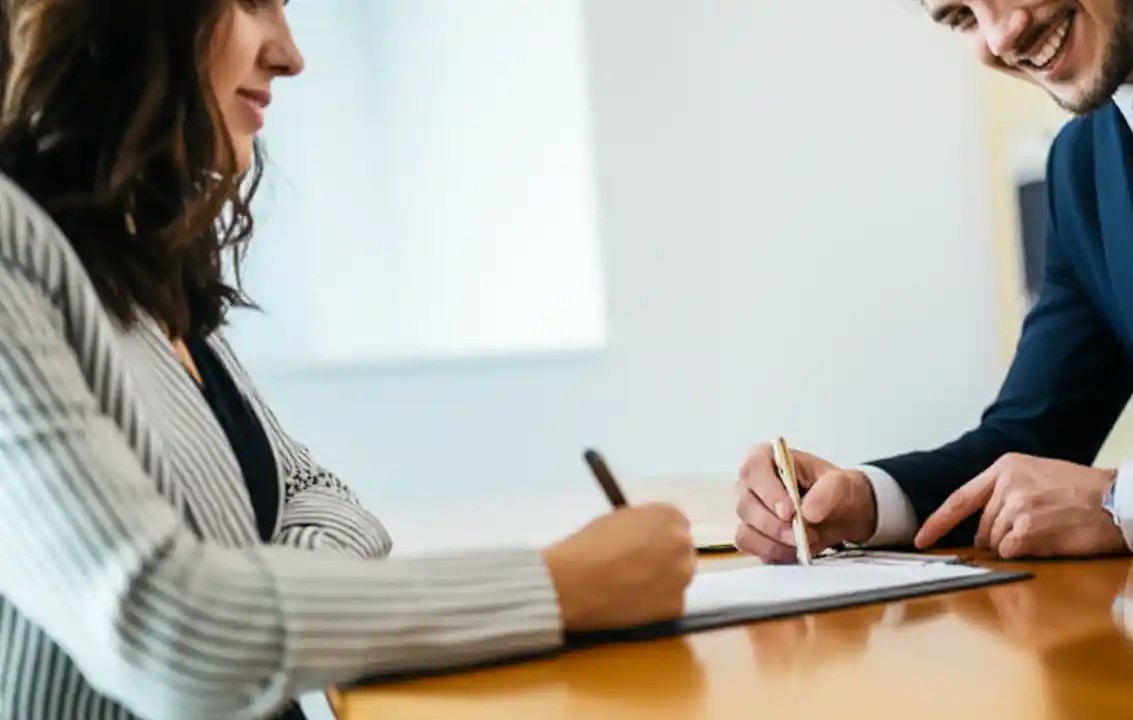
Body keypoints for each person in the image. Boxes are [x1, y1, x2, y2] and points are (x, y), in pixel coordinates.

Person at [0, 2, 696, 718]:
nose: (291, 55)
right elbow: (165, 628)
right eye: (251, 3)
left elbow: (322, 495)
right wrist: (562, 587)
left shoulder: (144, 275)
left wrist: (245, 587)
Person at [735, 0, 1133, 562]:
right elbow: (1030, 436)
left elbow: (1122, 500)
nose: (1002, 35)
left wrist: (1128, 503)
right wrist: (864, 500)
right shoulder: (1083, 168)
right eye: (962, 17)